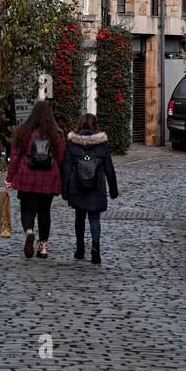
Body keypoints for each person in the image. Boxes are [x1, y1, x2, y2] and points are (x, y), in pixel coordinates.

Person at [5, 100, 66, 259]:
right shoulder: (56, 133)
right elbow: (61, 158)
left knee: (27, 209)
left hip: (27, 176)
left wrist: (9, 178)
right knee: (45, 211)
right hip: (48, 177)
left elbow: (15, 156)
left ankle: (29, 231)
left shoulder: (23, 131)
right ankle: (43, 246)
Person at [61, 113, 118, 266]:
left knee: (79, 217)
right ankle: (95, 248)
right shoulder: (101, 144)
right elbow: (109, 168)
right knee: (94, 218)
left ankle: (80, 249)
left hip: (77, 186)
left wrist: (64, 190)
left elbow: (66, 167)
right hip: (96, 186)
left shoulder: (72, 143)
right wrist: (113, 189)